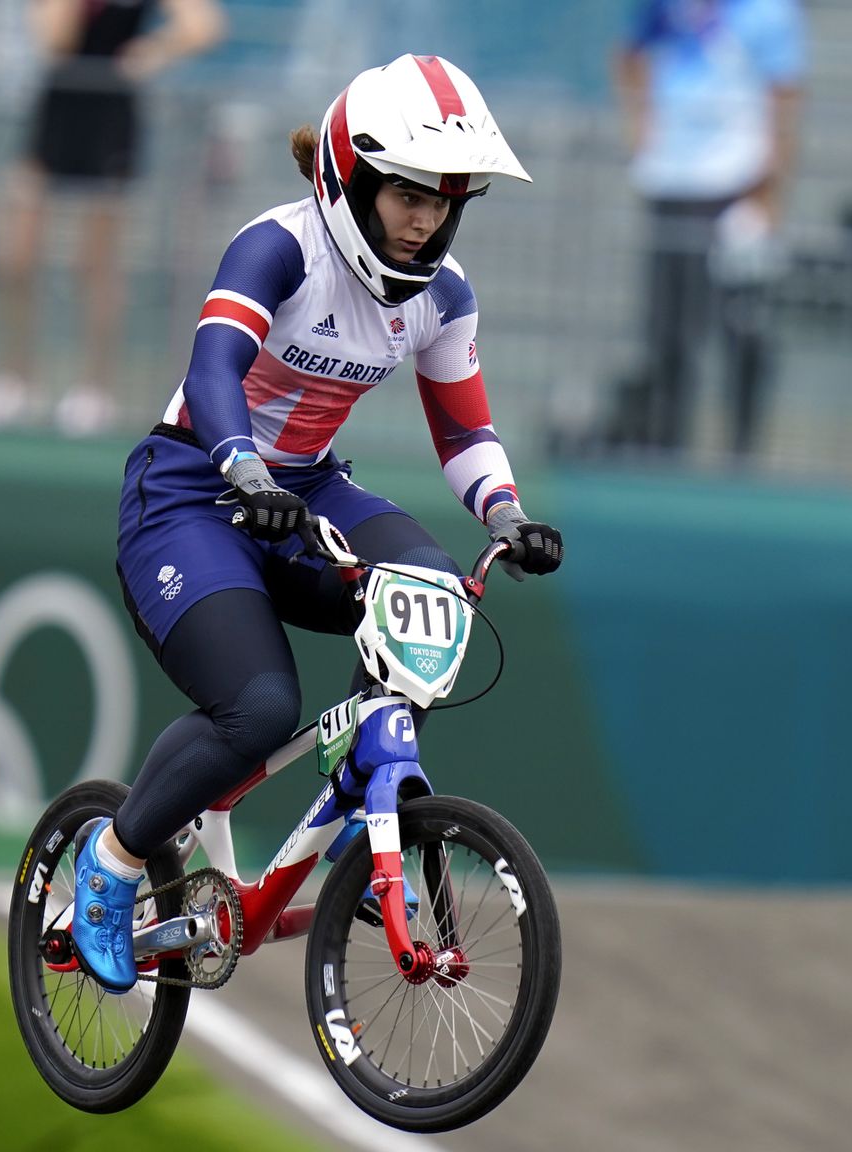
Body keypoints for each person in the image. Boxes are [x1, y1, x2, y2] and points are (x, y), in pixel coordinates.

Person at [68, 55, 565, 991]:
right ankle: (115, 861)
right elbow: (214, 370)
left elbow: (464, 431)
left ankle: (370, 814)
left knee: (433, 592)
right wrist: (242, 467)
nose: (427, 217)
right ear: (352, 179)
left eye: (447, 199)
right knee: (260, 709)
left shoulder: (443, 294)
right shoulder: (279, 247)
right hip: (190, 490)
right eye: (409, 192)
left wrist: (508, 514)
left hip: (306, 493)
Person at [0, 0, 225, 437]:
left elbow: (204, 25)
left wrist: (151, 51)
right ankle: (15, 377)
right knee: (16, 255)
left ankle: (94, 388)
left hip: (112, 113)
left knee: (96, 263)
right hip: (59, 107)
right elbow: (55, 41)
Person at [611, 0, 805, 458]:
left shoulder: (769, 11)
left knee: (742, 328)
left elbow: (785, 93)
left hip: (736, 186)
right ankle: (667, 444)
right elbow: (630, 51)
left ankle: (741, 449)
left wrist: (770, 190)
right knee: (667, 328)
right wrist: (641, 125)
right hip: (671, 184)